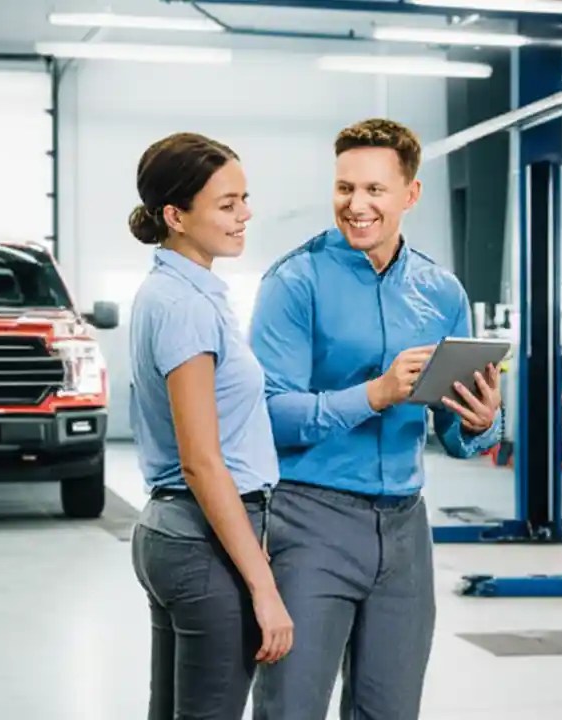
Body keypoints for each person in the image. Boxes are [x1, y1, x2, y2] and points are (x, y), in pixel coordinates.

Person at [248, 118, 504, 720]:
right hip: (310, 521)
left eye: (374, 190)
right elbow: (263, 413)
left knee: (391, 710)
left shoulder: (442, 292)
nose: (355, 206)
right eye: (344, 188)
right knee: (292, 708)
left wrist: (480, 421)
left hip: (407, 529)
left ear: (410, 195)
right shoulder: (295, 280)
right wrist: (376, 394)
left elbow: (455, 425)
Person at [126, 132, 294, 720]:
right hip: (205, 542)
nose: (245, 214)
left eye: (244, 198)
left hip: (173, 534)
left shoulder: (172, 291)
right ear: (176, 215)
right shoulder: (187, 307)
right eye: (227, 204)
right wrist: (265, 589)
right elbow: (202, 460)